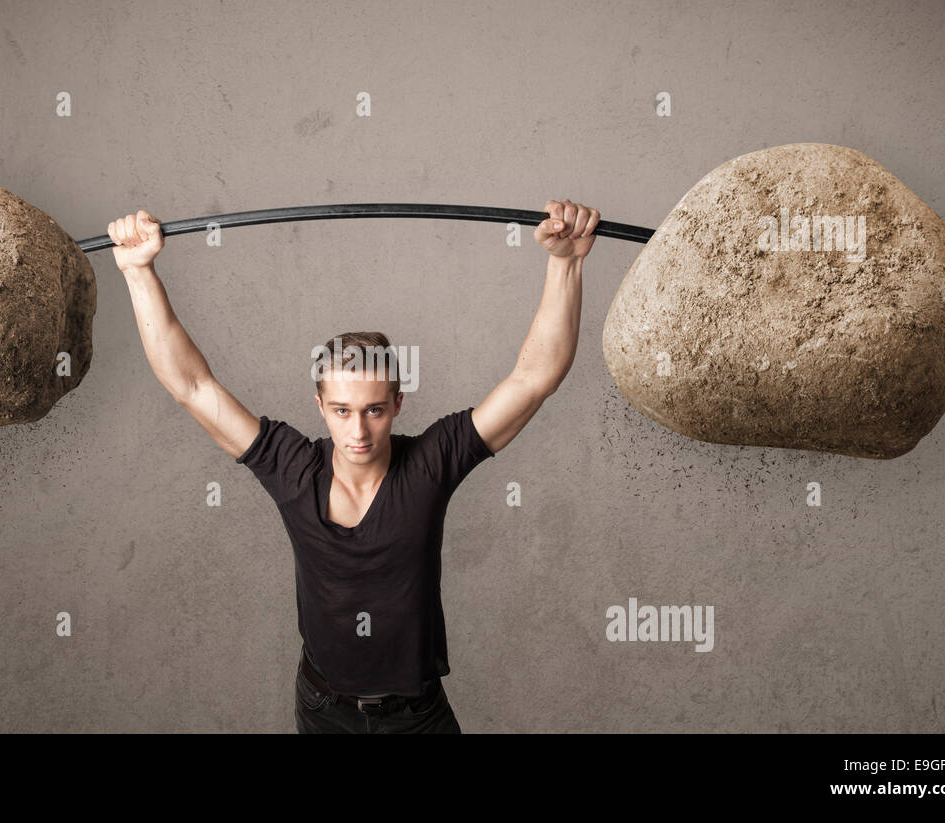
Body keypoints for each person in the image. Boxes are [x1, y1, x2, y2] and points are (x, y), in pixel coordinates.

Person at [106, 199, 600, 732]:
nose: (358, 431)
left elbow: (534, 379)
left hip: (416, 715)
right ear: (320, 407)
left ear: (397, 405)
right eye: (341, 411)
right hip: (325, 711)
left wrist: (565, 263)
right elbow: (192, 386)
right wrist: (138, 271)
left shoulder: (430, 463)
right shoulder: (291, 466)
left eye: (374, 410)